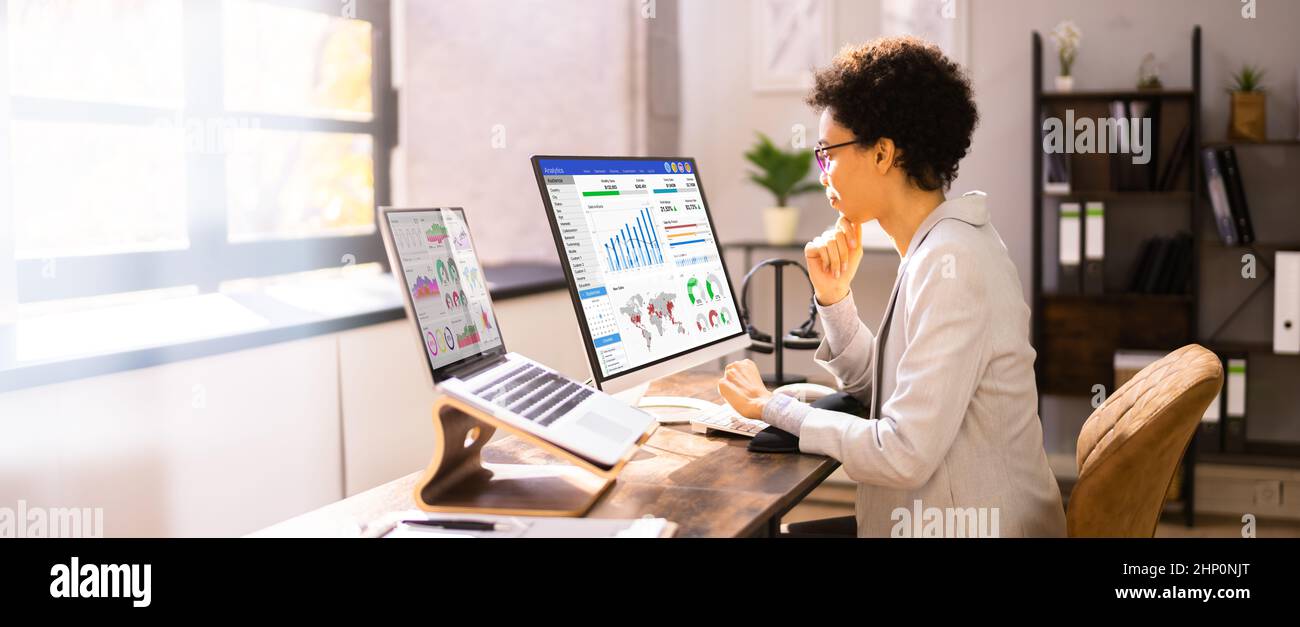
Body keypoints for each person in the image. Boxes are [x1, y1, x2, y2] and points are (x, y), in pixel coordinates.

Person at [718, 36, 1066, 537]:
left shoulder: (953, 262)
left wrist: (770, 407)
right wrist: (835, 300)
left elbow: (901, 454)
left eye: (827, 153)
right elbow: (889, 392)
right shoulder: (939, 247)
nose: (822, 174)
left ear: (882, 153)